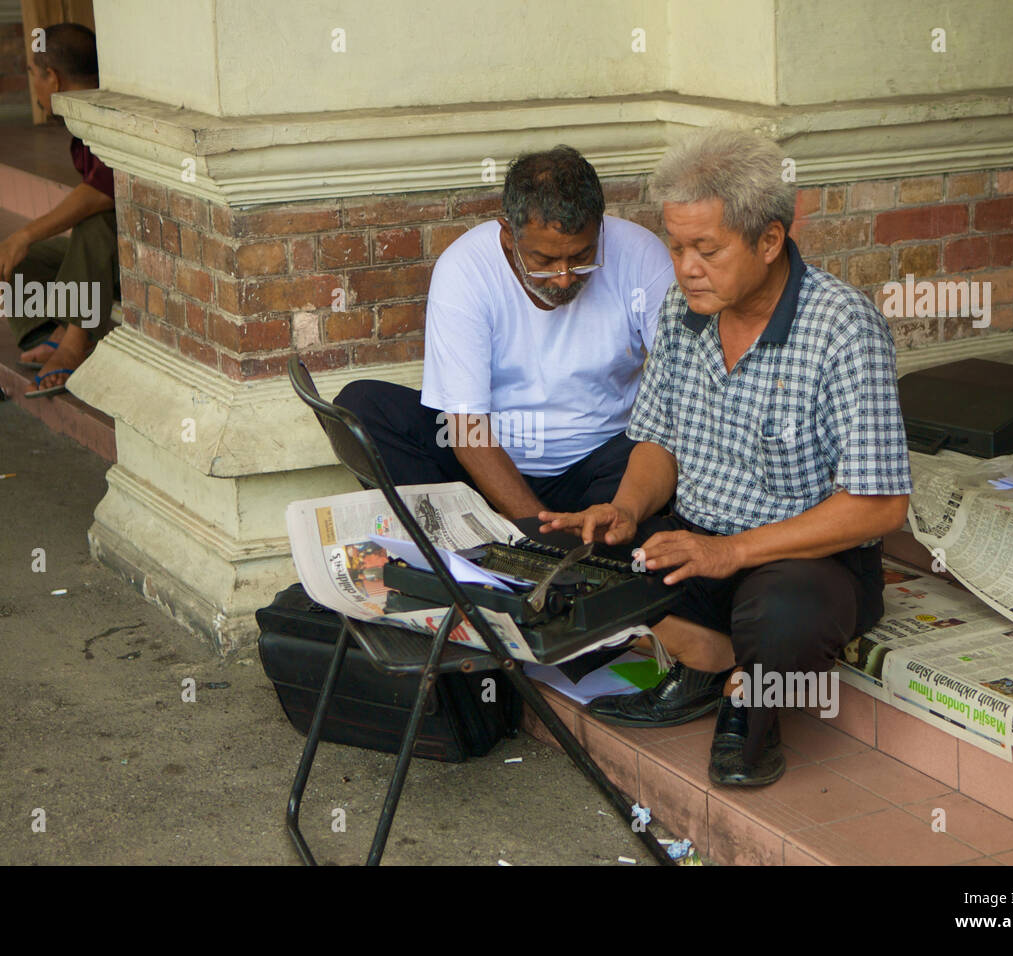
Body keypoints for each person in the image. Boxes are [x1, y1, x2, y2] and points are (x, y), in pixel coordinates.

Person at [540, 128, 913, 787]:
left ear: (769, 240)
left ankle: (750, 705)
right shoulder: (682, 310)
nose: (685, 267)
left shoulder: (840, 326)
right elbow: (657, 442)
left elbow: (879, 504)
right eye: (677, 247)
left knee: (785, 613)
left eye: (705, 249)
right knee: (582, 553)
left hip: (802, 561)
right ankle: (705, 660)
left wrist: (734, 553)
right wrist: (626, 509)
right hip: (700, 545)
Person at [335, 146, 675, 520]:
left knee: (665, 451)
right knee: (362, 407)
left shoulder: (642, 256)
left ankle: (561, 542)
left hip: (602, 467)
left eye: (582, 256)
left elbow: (679, 389)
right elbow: (465, 427)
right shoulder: (465, 269)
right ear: (509, 235)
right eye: (544, 261)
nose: (564, 277)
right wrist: (538, 531)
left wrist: (624, 506)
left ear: (600, 227)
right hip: (490, 464)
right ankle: (493, 538)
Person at [0, 22, 117, 399]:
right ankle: (54, 330)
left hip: (145, 259)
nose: (34, 88)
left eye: (32, 76)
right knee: (20, 262)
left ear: (52, 79)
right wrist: (19, 243)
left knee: (96, 224)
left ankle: (75, 340)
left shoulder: (108, 114)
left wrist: (23, 235)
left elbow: (103, 193)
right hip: (104, 262)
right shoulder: (80, 120)